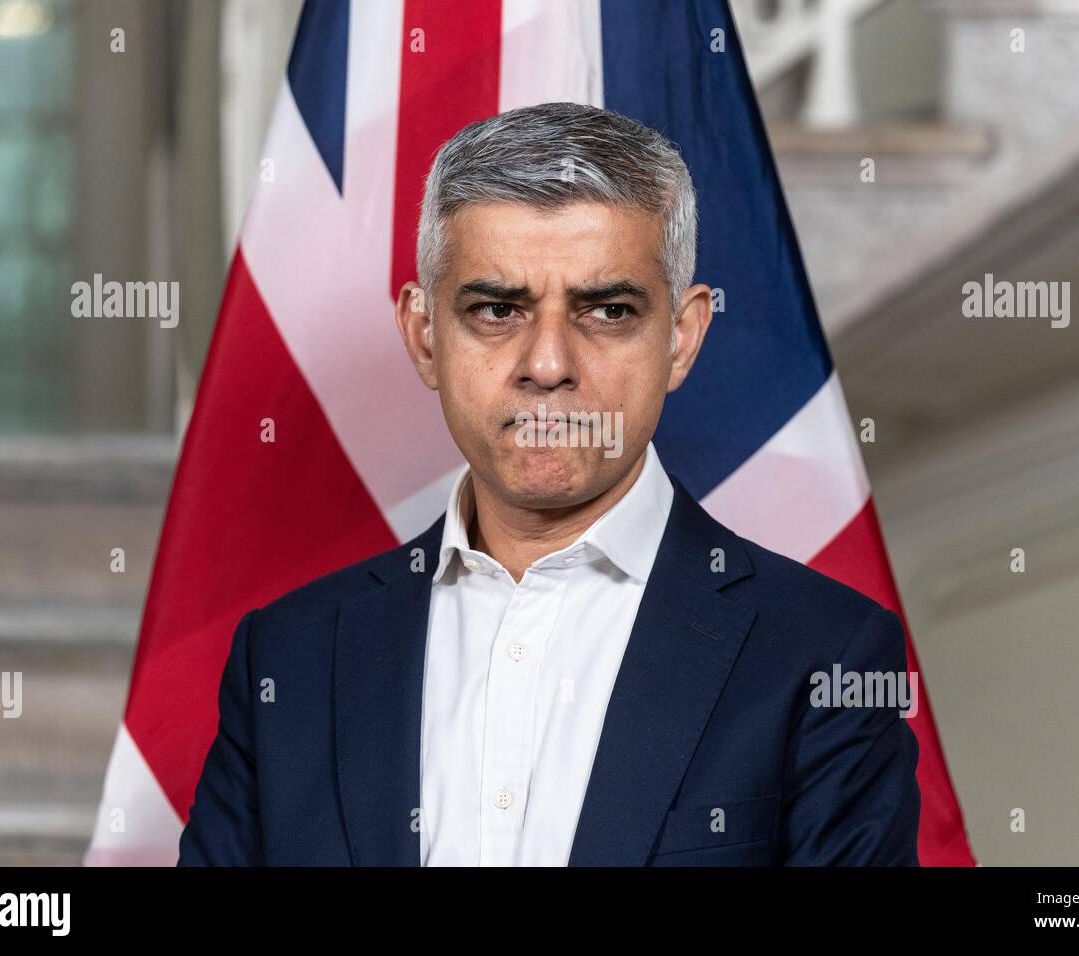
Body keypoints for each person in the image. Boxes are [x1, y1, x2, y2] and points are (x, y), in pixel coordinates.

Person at [178, 102, 920, 866]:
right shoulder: (288, 659)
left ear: (682, 337)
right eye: (498, 309)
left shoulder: (827, 654)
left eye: (607, 310)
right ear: (424, 334)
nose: (547, 364)